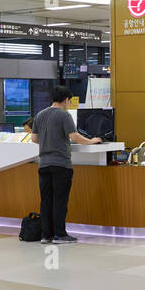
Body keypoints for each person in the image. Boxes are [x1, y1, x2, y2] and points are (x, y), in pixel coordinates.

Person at [33, 85, 101, 244]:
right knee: (60, 200)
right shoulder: (64, 116)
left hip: (43, 164)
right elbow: (75, 136)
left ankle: (46, 235)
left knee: (46, 200)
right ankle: (60, 235)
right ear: (65, 100)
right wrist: (91, 141)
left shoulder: (39, 115)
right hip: (61, 164)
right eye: (69, 101)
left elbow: (34, 139)